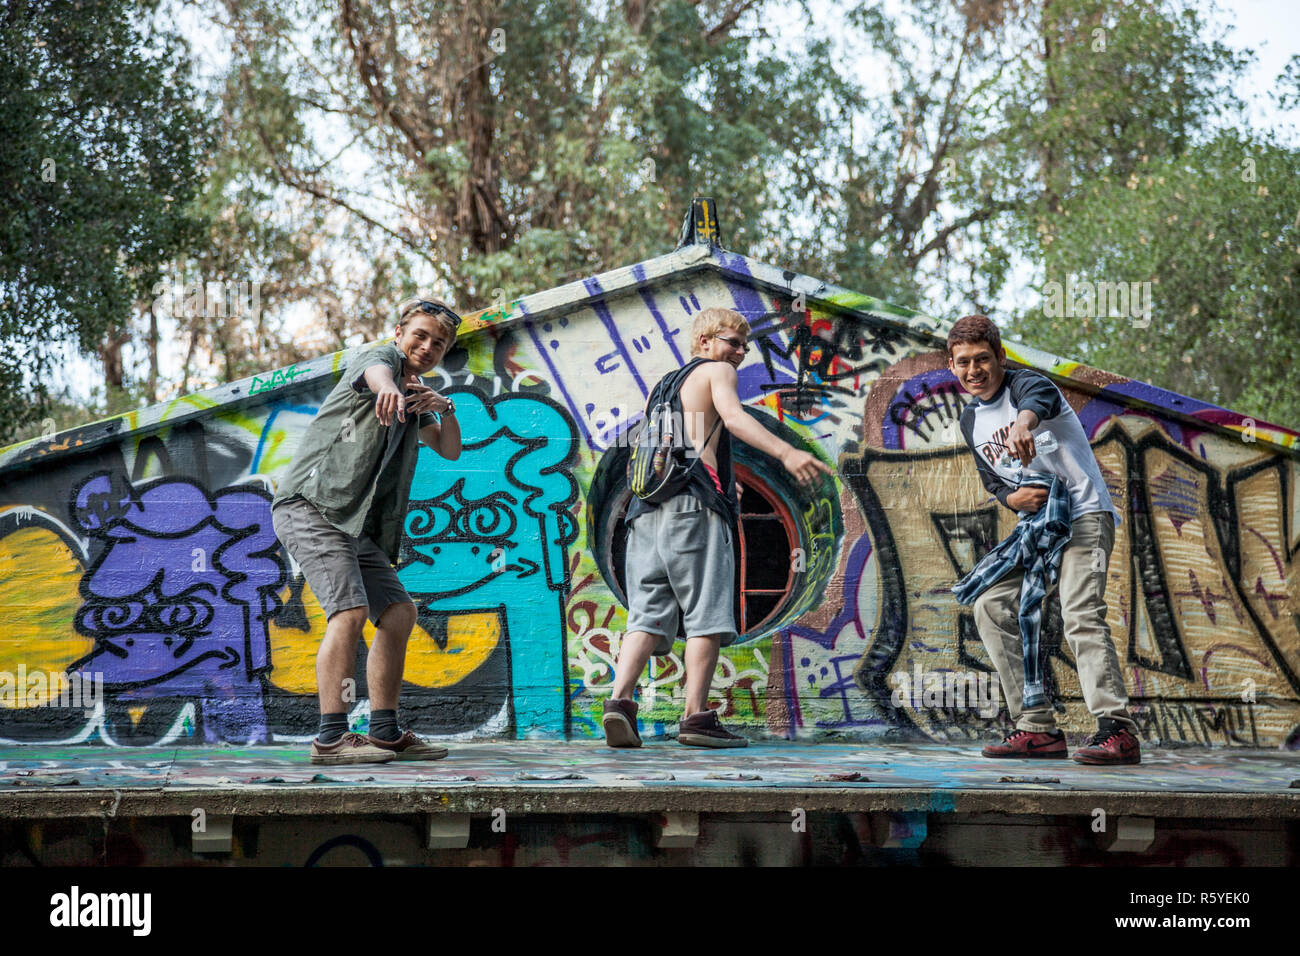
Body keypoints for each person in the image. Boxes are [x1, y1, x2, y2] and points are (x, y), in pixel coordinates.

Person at [603, 307, 833, 748]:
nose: (740, 352)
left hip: (646, 513)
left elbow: (682, 448)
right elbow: (734, 419)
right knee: (706, 612)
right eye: (732, 341)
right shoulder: (716, 371)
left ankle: (619, 703)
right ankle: (695, 719)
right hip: (693, 513)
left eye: (744, 346)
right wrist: (786, 454)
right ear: (705, 341)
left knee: (648, 614)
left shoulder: (666, 386)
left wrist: (725, 484)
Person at [271, 297, 463, 764]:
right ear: (399, 333)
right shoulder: (379, 361)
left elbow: (450, 450)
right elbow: (375, 371)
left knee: (398, 613)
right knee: (350, 612)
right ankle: (331, 738)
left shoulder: (416, 393)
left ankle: (384, 730)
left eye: (438, 343)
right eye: (420, 335)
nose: (427, 346)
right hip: (313, 506)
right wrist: (387, 388)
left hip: (354, 524)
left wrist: (446, 407)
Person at [947, 314, 1140, 764]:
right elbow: (992, 481)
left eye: (982, 359)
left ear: (1000, 357)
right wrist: (1012, 497)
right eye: (963, 362)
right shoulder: (970, 418)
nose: (973, 370)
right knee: (990, 605)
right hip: (1037, 529)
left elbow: (1036, 399)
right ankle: (1037, 728)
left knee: (1079, 613)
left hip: (1084, 517)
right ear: (951, 365)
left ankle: (1118, 730)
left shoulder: (1028, 387)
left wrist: (1024, 423)